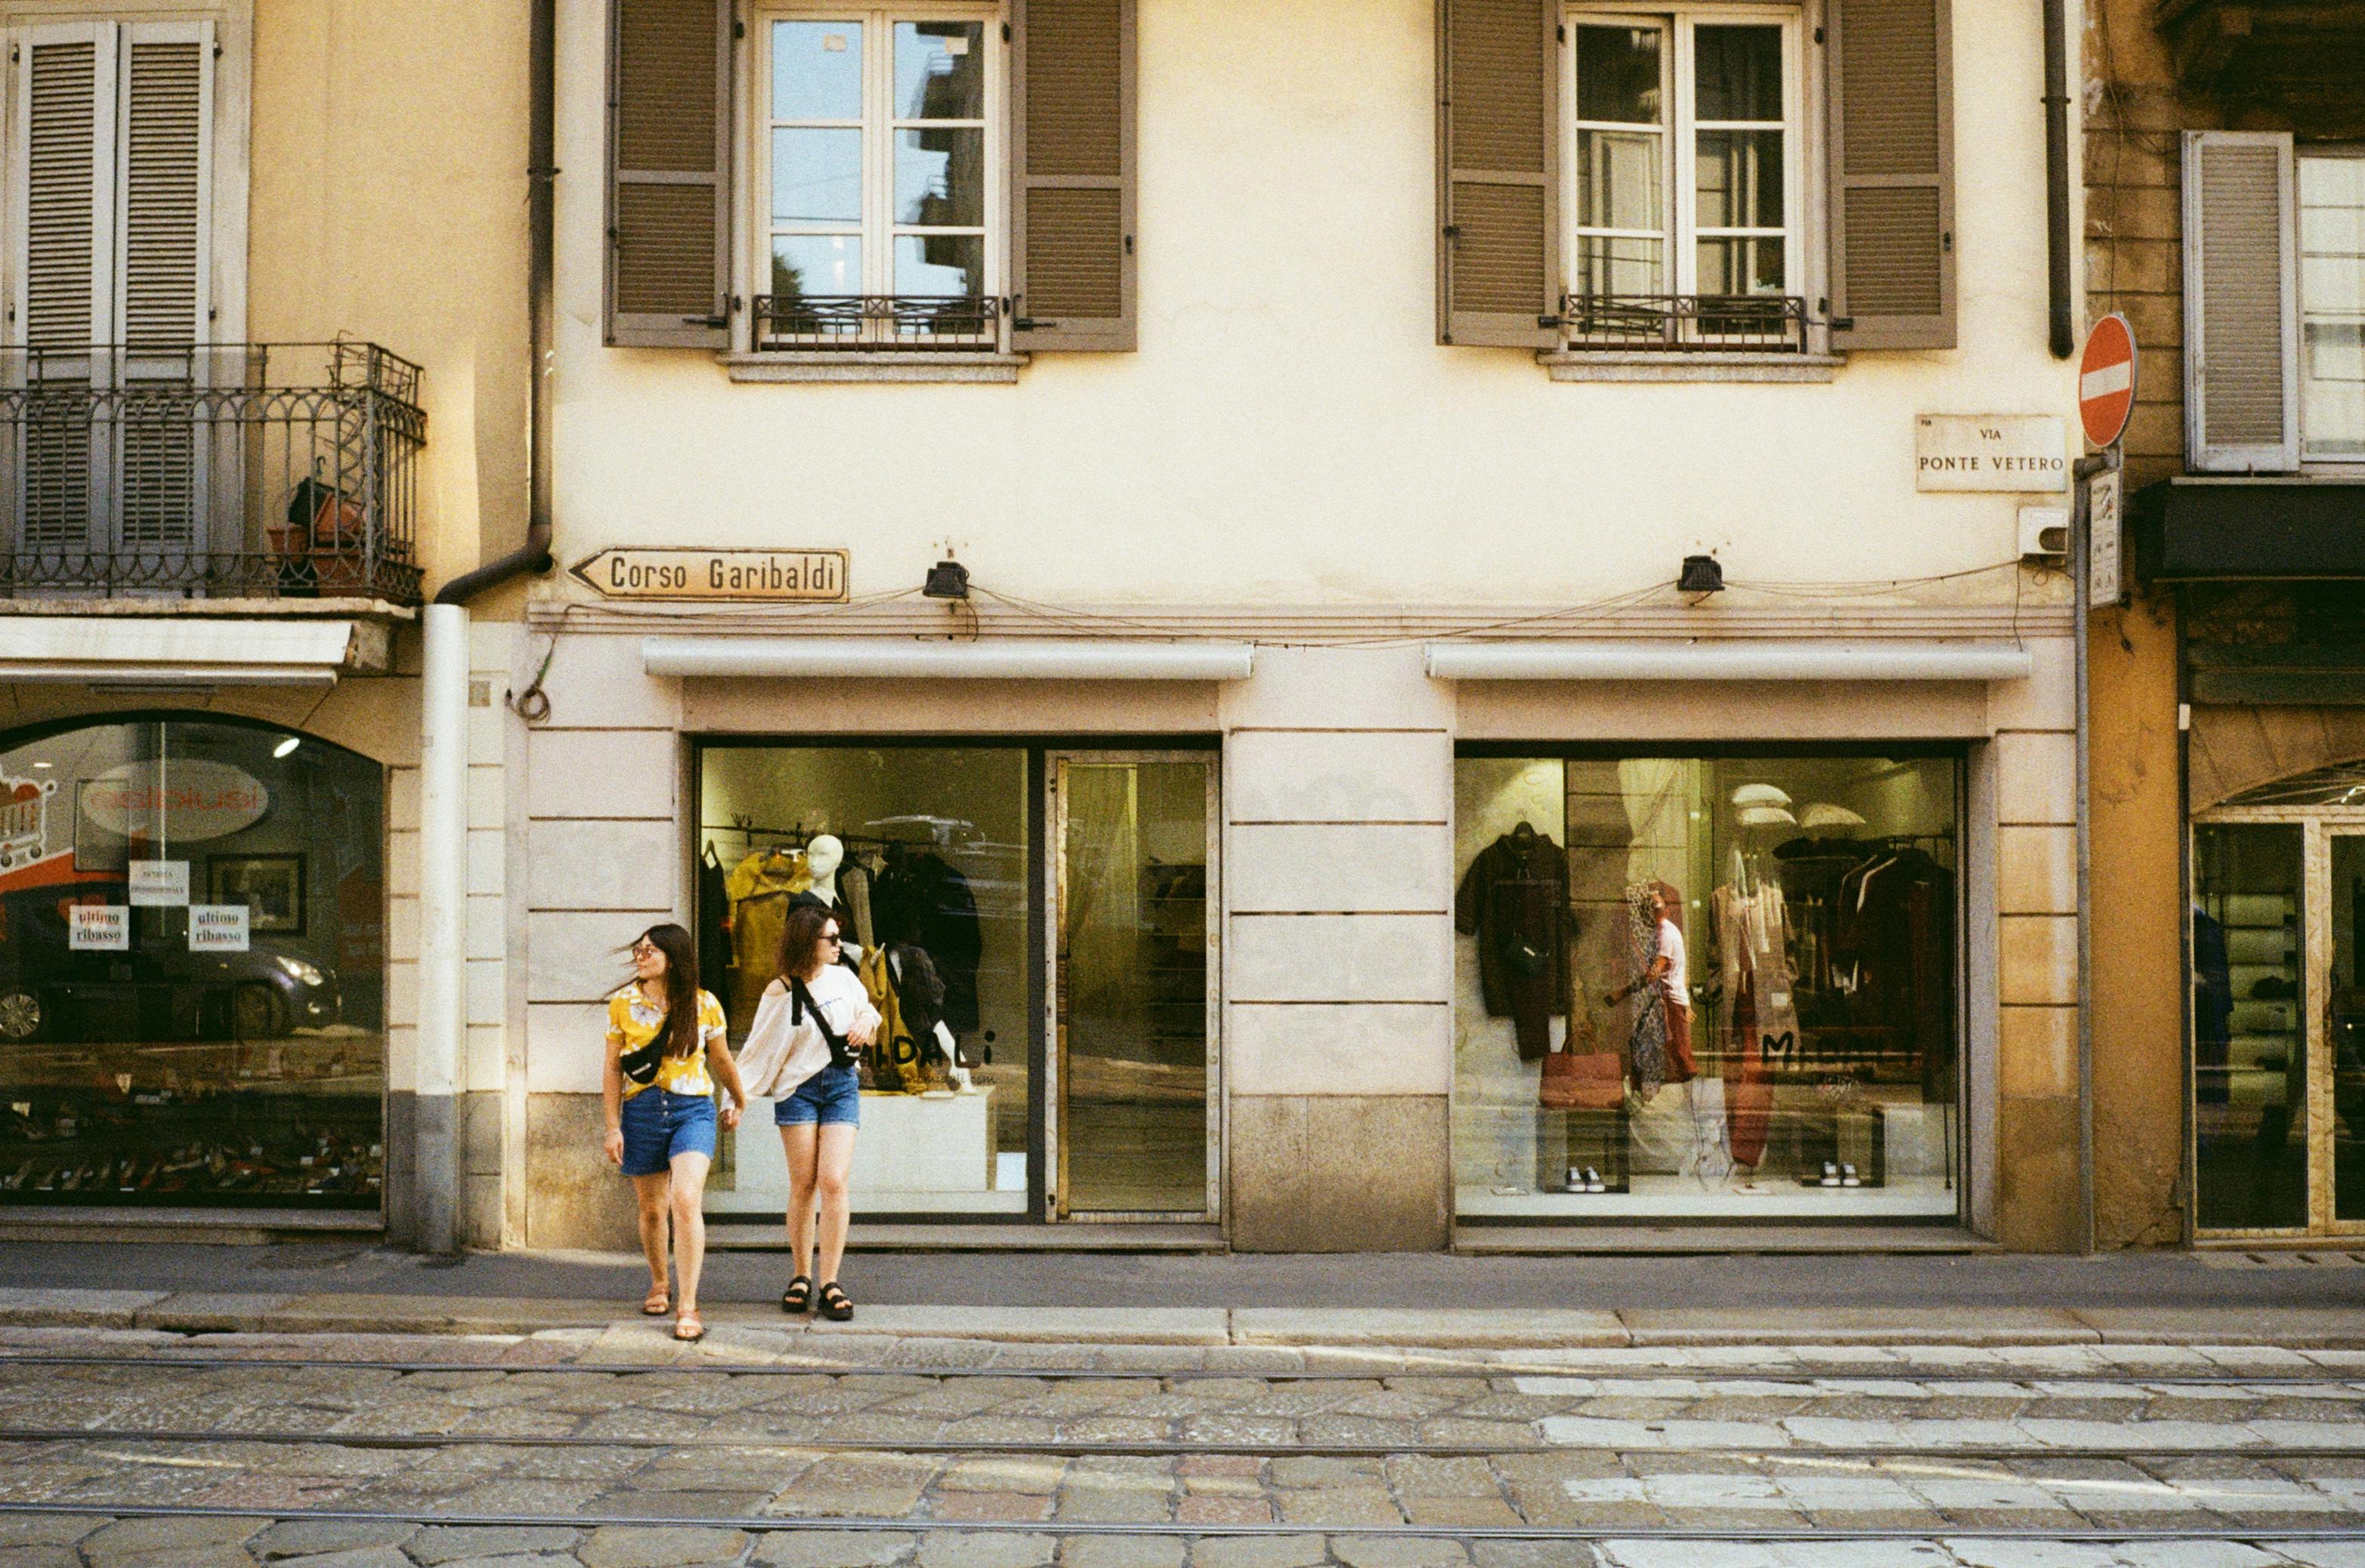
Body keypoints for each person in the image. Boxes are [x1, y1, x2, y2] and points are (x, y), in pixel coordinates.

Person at [602, 923, 745, 1343]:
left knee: (684, 1199)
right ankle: (659, 1282)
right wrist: (613, 1127)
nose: (641, 956)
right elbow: (612, 1069)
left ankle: (688, 1304)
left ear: (674, 957)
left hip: (693, 1112)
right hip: (641, 1111)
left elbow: (720, 1060)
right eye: (639, 949)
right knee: (651, 1209)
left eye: (650, 951)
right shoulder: (623, 1004)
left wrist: (738, 1098)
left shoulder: (704, 1005)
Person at [762, 903, 877, 1322]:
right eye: (830, 938)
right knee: (804, 1184)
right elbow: (758, 1050)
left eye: (838, 936)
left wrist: (867, 1023)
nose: (838, 945)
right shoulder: (780, 990)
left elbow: (868, 1008)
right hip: (798, 1090)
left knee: (833, 1179)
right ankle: (800, 1274)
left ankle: (830, 1280)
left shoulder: (845, 977)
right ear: (806, 942)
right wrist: (733, 1100)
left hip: (841, 1084)